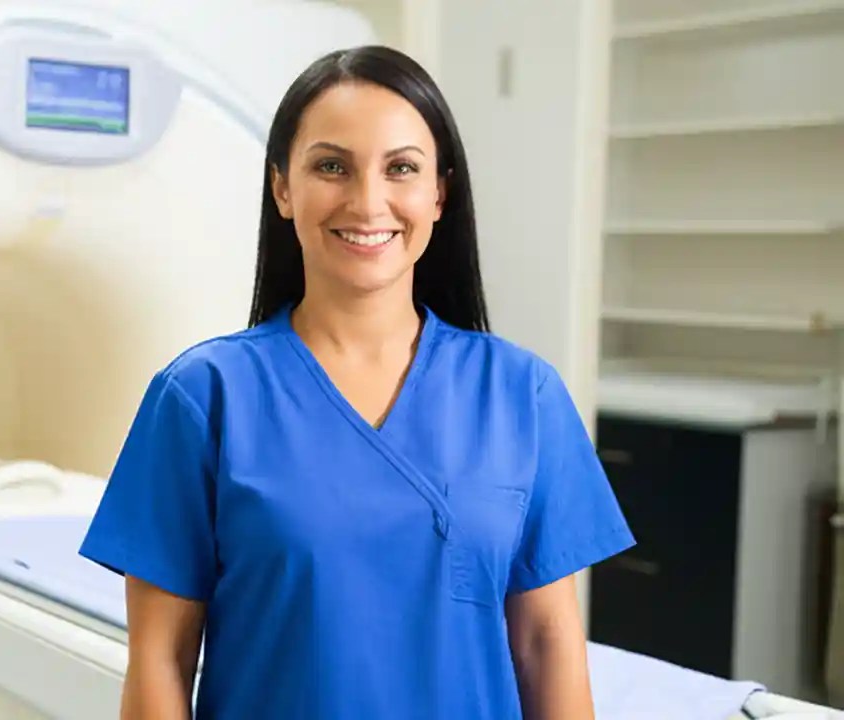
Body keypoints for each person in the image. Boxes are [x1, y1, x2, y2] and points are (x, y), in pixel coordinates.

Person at [78, 45, 634, 719]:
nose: (367, 201)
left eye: (400, 168)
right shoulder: (203, 397)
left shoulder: (521, 395)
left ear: (439, 192)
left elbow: (548, 646)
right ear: (283, 187)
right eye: (332, 166)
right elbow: (162, 660)